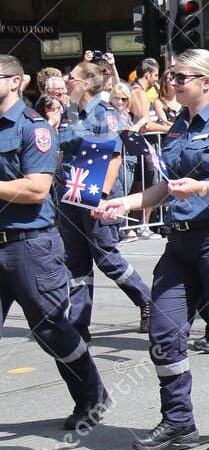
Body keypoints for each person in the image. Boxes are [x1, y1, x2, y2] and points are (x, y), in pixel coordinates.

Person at [94, 49, 209, 450]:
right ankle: (178, 422)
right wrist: (126, 204)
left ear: (206, 82)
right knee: (164, 332)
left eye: (181, 76)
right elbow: (167, 186)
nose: (173, 82)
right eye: (170, 75)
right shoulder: (176, 126)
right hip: (180, 244)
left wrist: (202, 187)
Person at [0, 54, 108, 429]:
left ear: (17, 82)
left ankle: (91, 396)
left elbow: (36, 188)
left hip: (29, 244)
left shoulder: (34, 128)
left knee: (50, 330)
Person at [57, 63, 151, 337]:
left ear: (86, 84)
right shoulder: (73, 113)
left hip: (96, 193)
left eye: (71, 78)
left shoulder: (105, 113)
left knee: (106, 256)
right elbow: (65, 148)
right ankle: (78, 322)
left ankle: (146, 299)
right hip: (72, 191)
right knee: (75, 261)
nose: (67, 81)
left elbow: (114, 157)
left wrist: (104, 196)